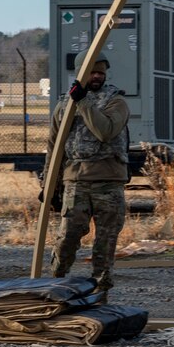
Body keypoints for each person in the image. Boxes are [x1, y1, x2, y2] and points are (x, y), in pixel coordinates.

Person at [41, 49, 130, 299]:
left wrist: (83, 102)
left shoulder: (116, 102)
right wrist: (49, 185)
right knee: (67, 237)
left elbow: (105, 131)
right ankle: (56, 288)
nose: (97, 76)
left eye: (101, 72)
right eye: (92, 71)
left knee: (105, 242)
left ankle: (101, 293)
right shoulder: (64, 106)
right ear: (81, 73)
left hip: (108, 184)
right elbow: (54, 148)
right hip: (76, 182)